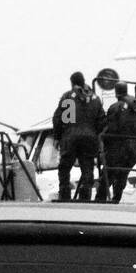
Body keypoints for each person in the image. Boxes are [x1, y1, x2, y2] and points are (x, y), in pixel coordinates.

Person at [51, 71, 104, 201]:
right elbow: (102, 121)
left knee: (65, 167)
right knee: (87, 168)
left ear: (72, 83)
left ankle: (64, 195)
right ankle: (85, 196)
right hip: (90, 139)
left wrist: (57, 137)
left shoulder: (67, 97)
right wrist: (95, 135)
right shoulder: (95, 99)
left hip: (70, 138)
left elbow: (58, 119)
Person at [99, 82, 136, 203]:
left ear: (116, 93)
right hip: (133, 149)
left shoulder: (114, 108)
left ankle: (99, 201)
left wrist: (103, 142)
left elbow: (111, 129)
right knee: (122, 175)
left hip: (117, 148)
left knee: (107, 175)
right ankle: (116, 199)